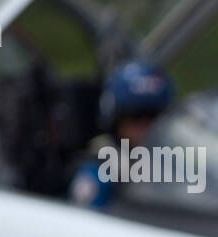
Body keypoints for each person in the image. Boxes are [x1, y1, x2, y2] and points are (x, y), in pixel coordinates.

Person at [68, 60, 174, 208]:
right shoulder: (100, 173)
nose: (148, 128)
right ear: (115, 122)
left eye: (155, 117)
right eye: (136, 117)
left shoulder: (176, 162)